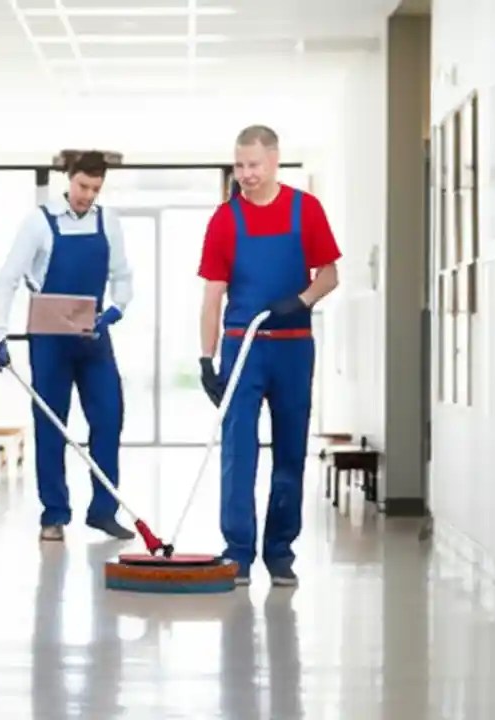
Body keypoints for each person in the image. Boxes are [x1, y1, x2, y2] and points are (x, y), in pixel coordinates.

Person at [197, 125, 340, 588]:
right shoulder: (225, 219)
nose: (246, 174)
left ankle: (280, 552)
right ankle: (238, 552)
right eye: (239, 165)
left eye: (254, 164)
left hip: (293, 347)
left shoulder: (306, 209)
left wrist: (301, 301)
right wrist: (206, 359)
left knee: (290, 450)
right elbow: (212, 297)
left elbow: (329, 275)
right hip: (242, 347)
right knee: (238, 452)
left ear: (275, 160)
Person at [0, 151, 134, 543]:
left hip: (93, 335)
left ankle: (104, 510)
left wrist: (116, 310)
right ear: (69, 179)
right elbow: (8, 279)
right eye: (83, 186)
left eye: (95, 188)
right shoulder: (40, 222)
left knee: (109, 417)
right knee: (51, 424)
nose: (88, 195)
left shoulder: (109, 222)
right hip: (49, 339)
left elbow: (123, 277)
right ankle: (54, 513)